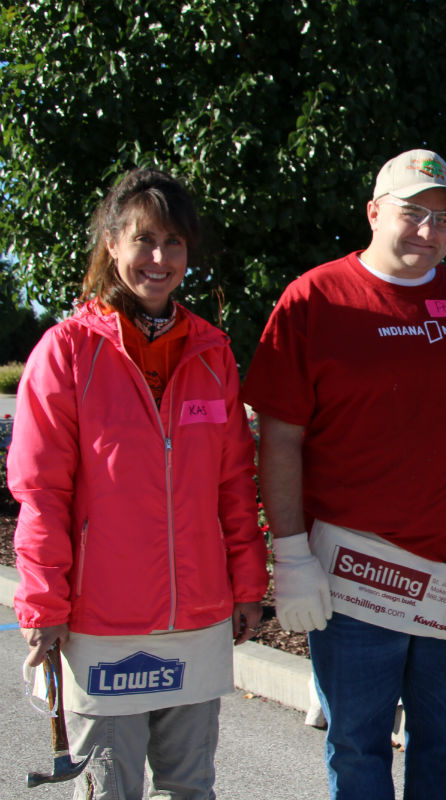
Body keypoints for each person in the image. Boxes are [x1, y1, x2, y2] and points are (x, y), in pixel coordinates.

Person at [242, 149, 446, 800]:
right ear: (372, 212)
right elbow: (279, 438)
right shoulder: (314, 299)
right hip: (354, 577)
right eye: (413, 213)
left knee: (443, 744)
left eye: (443, 218)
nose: (428, 230)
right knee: (358, 745)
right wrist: (291, 554)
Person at [7, 167, 268, 799]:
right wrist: (43, 602)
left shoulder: (211, 352)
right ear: (112, 244)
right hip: (102, 622)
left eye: (174, 243)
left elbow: (235, 483)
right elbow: (42, 491)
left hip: (198, 617)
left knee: (190, 786)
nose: (159, 258)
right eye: (144, 240)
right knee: (107, 788)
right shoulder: (66, 353)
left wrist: (247, 582)